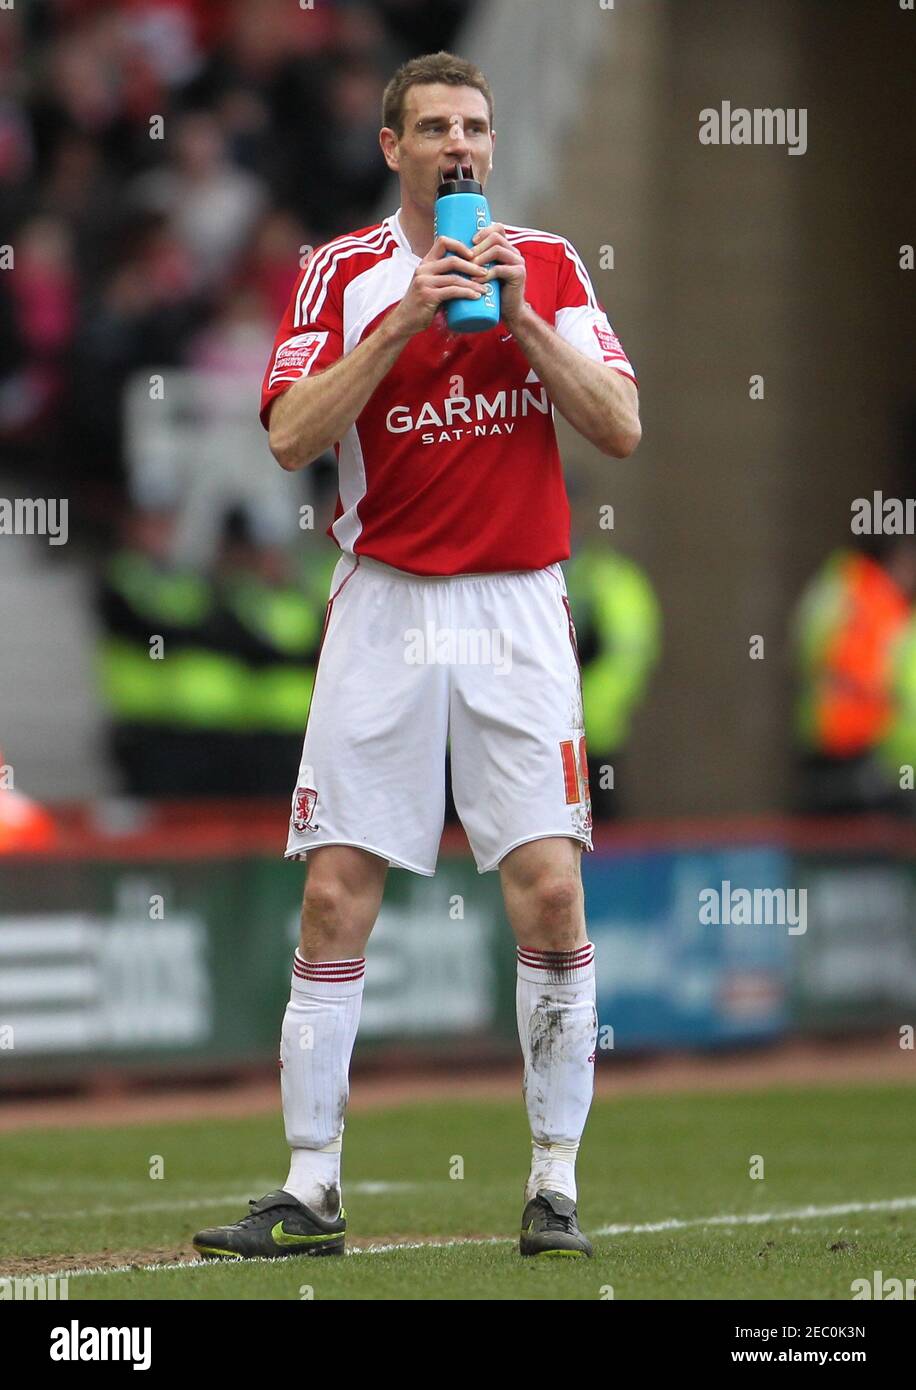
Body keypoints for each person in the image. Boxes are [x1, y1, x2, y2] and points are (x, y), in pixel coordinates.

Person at [193, 50, 640, 1263]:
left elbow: (620, 424)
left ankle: (553, 1184)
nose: (461, 145)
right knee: (337, 892)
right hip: (385, 603)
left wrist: (523, 321)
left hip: (515, 606)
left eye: (477, 127)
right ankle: (311, 1189)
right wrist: (403, 319)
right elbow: (289, 437)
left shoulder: (542, 262)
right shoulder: (337, 273)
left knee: (549, 888)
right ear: (392, 146)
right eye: (436, 126)